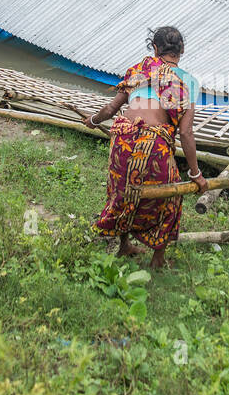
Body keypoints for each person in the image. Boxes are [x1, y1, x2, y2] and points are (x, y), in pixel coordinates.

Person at [86, 26, 208, 269]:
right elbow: (185, 132)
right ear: (181, 50)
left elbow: (110, 110)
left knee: (122, 191)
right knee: (170, 197)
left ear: (154, 48)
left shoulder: (139, 70)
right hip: (153, 143)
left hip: (122, 137)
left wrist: (91, 121)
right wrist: (195, 174)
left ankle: (123, 245)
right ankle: (157, 259)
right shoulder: (187, 81)